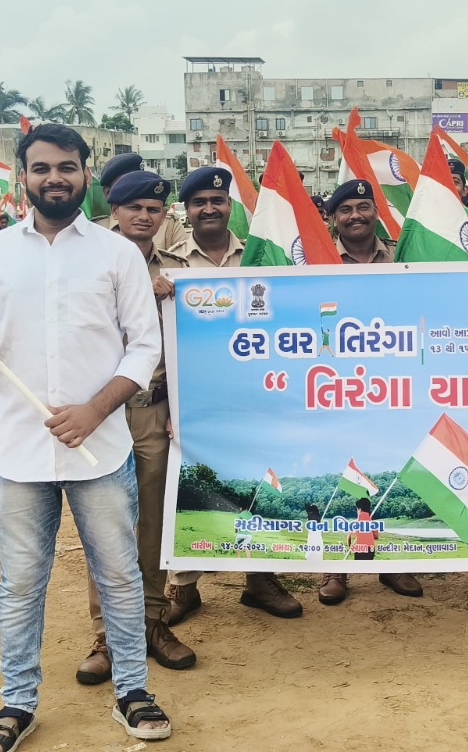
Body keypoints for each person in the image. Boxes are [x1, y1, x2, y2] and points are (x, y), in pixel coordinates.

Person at [0, 124, 172, 747]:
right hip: (20, 453)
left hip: (102, 450)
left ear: (86, 175)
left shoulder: (118, 254)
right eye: (41, 168)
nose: (54, 178)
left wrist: (95, 410)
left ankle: (133, 692)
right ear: (24, 177)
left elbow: (144, 347)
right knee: (20, 584)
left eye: (67, 167)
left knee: (119, 577)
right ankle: (16, 703)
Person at [164, 166, 303, 620]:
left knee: (256, 479)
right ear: (186, 210)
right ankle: (184, 585)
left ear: (230, 207)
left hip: (255, 393)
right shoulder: (167, 262)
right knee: (189, 483)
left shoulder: (260, 255)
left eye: (217, 201)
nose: (209, 208)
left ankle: (260, 578)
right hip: (191, 399)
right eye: (199, 202)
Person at [75, 169, 196, 687]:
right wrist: (142, 290)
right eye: (134, 208)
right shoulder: (87, 263)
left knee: (152, 522)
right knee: (105, 521)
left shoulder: (178, 270)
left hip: (153, 410)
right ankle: (107, 634)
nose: (144, 217)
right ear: (115, 212)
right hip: (102, 411)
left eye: (154, 209)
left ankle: (151, 621)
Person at [317, 179, 422, 604]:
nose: (355, 216)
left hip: (393, 386)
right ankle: (338, 569)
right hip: (336, 387)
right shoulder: (313, 260)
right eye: (345, 210)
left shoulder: (403, 255)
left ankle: (388, 563)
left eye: (363, 207)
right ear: (332, 218)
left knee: (384, 472)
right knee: (342, 475)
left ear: (377, 213)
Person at [95, 152, 188, 250]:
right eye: (126, 185)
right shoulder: (96, 230)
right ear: (108, 192)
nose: (144, 217)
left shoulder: (169, 227)